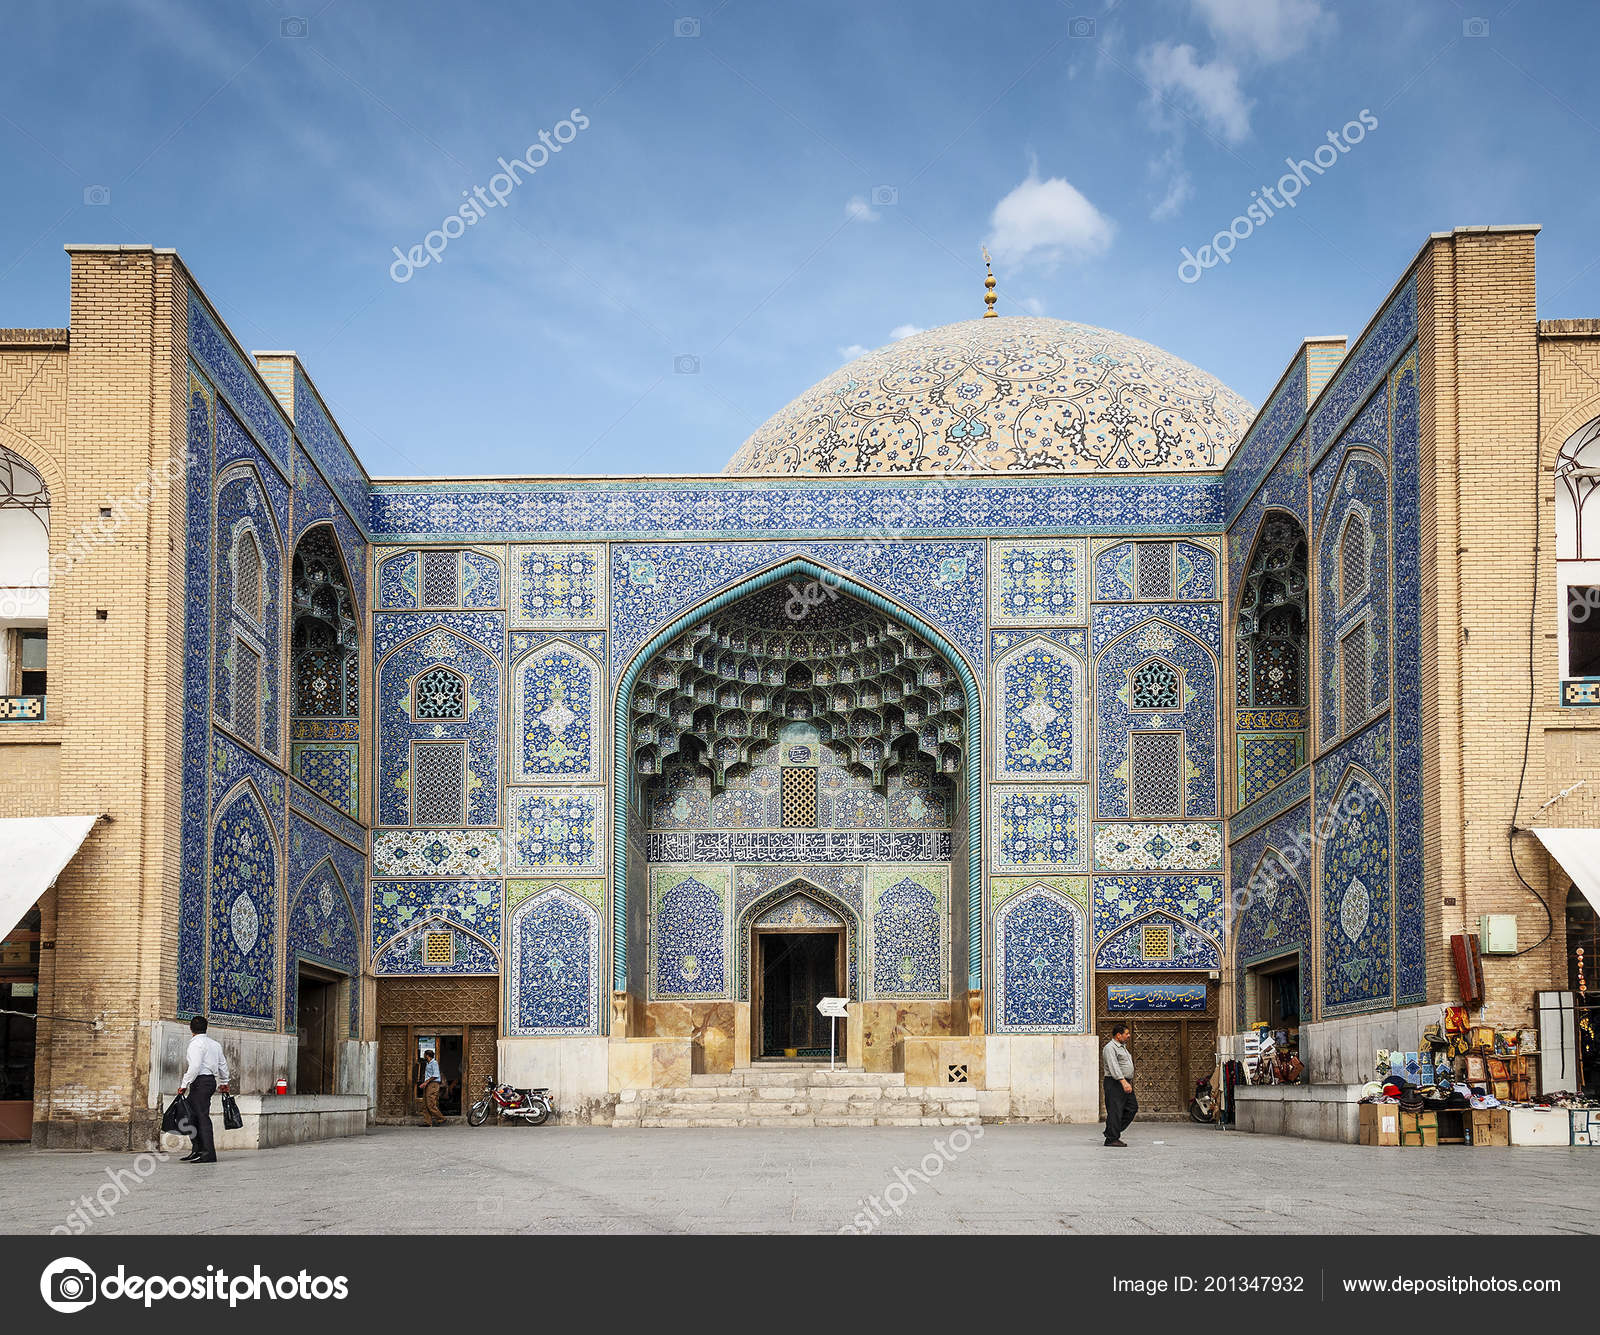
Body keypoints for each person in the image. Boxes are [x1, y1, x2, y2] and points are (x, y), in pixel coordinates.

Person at [176, 1014, 230, 1164]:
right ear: (206, 1028)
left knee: (201, 1116)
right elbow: (223, 1065)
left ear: (191, 1029)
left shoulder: (195, 1044)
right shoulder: (215, 1044)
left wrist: (184, 1084)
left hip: (200, 1082)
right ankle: (198, 1149)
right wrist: (224, 1081)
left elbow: (194, 1066)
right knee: (192, 1115)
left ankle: (208, 1153)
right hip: (209, 1082)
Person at [1102, 1022, 1137, 1147]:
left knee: (1132, 1107)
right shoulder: (1110, 1048)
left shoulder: (1122, 1047)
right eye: (1126, 1034)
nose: (1129, 1036)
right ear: (1118, 1035)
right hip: (1115, 1082)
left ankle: (1111, 1131)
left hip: (1124, 1082)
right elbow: (1113, 1066)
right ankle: (1112, 1138)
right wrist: (1123, 1082)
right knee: (1115, 1110)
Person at [418, 1048, 444, 1126]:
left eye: (424, 1055)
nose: (424, 1056)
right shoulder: (428, 1063)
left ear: (427, 1056)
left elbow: (435, 1075)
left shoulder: (434, 1063)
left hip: (433, 1084)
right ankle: (427, 1122)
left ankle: (441, 1118)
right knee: (425, 1104)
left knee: (430, 1103)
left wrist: (425, 1082)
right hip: (429, 1084)